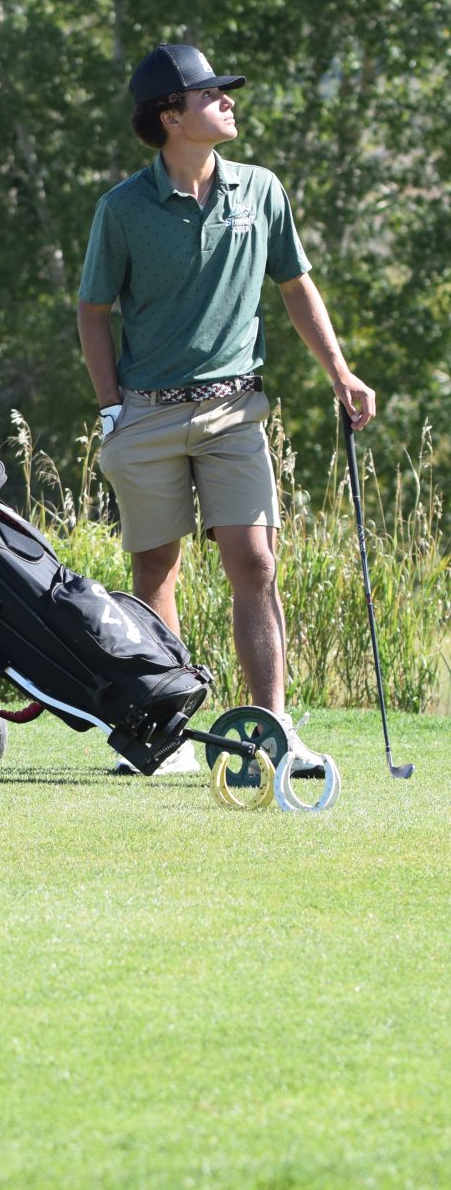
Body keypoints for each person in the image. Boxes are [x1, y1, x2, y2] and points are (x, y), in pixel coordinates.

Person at [76, 41, 375, 774]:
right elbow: (92, 311)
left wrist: (338, 369)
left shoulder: (260, 190)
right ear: (170, 115)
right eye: (212, 95)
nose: (229, 102)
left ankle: (273, 728)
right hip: (145, 412)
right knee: (154, 569)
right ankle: (166, 728)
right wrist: (110, 406)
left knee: (254, 560)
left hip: (233, 409)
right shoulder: (121, 208)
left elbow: (295, 286)